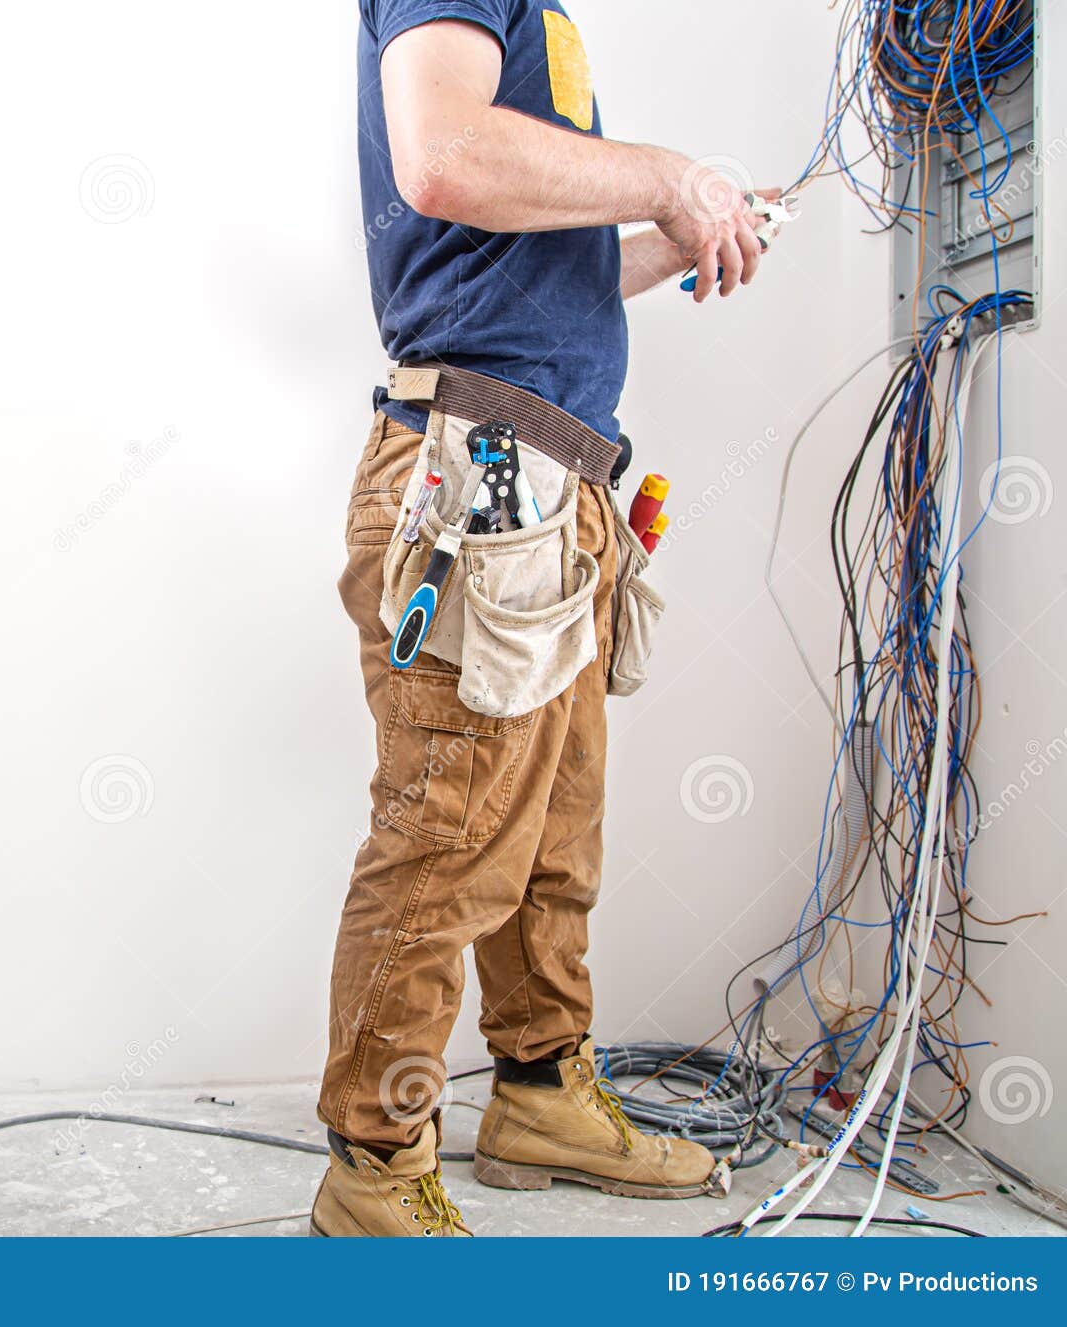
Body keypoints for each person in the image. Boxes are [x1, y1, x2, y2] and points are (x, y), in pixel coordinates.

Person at [312, 0, 779, 1237]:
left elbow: (524, 250)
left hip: (552, 484)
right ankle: (371, 1162)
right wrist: (673, 174)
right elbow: (446, 155)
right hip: (477, 472)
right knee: (447, 832)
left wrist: (672, 237)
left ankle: (537, 1093)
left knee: (549, 835)